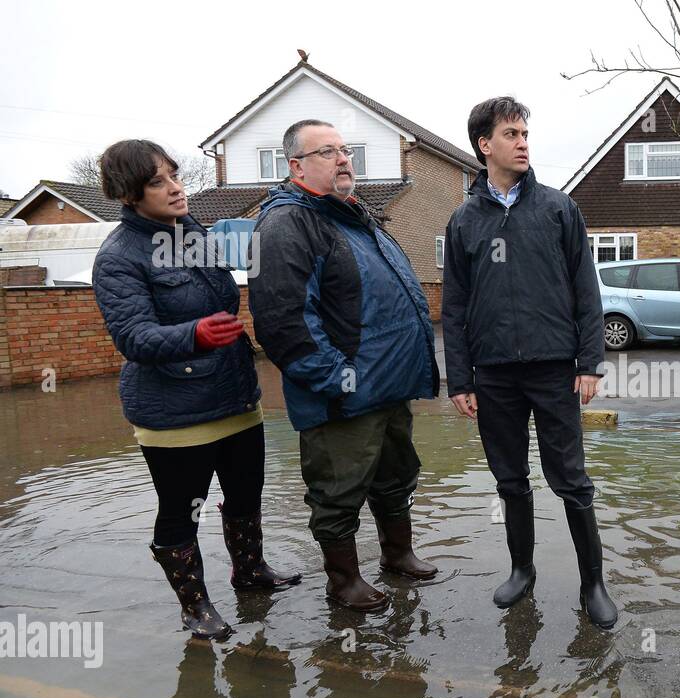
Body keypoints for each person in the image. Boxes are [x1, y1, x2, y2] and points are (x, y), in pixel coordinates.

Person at [93, 139, 298, 641]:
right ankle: (196, 605)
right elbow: (132, 337)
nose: (176, 187)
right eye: (158, 181)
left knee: (246, 494)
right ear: (129, 193)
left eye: (175, 174)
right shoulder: (119, 256)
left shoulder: (194, 234)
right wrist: (193, 335)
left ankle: (250, 572)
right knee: (182, 509)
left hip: (233, 396)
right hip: (175, 413)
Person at [249, 119, 440, 613]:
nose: (343, 159)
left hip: (388, 386)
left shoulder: (354, 216)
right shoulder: (288, 224)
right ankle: (344, 581)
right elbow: (284, 320)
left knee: (396, 476)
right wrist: (336, 379)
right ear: (295, 166)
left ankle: (398, 555)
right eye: (328, 152)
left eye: (346, 151)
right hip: (345, 393)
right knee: (338, 492)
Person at [442, 97, 617, 629]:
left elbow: (587, 291)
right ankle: (522, 569)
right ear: (484, 145)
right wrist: (461, 377)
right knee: (510, 478)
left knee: (571, 478)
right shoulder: (464, 220)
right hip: (494, 374)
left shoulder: (558, 209)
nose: (522, 143)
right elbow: (454, 305)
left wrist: (589, 362)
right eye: (512, 134)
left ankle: (594, 583)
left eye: (525, 134)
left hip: (553, 368)